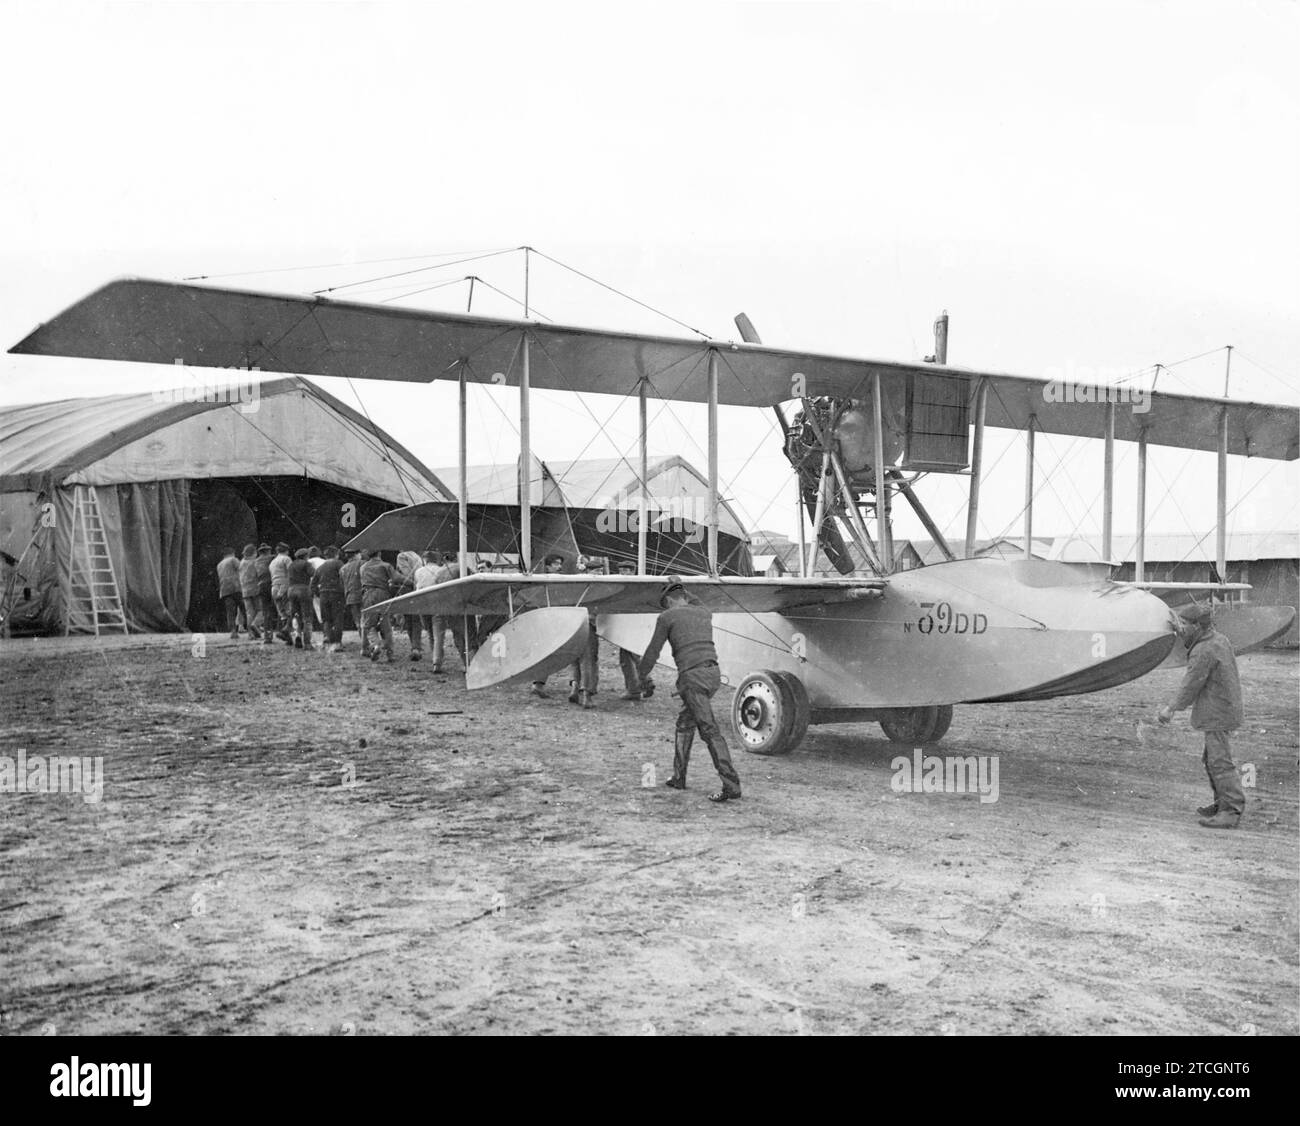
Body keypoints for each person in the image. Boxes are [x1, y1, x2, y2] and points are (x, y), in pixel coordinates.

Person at [637, 577, 741, 803]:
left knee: (709, 730)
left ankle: (731, 785)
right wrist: (680, 584)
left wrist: (641, 675)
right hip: (713, 675)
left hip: (692, 678)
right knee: (685, 722)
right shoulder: (703, 612)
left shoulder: (666, 616)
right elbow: (694, 599)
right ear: (685, 595)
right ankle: (678, 776)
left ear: (667, 600)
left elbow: (653, 651)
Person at [1157, 603, 1245, 829]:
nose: (1182, 628)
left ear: (1198, 626)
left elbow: (1191, 684)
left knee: (1219, 762)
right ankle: (1222, 804)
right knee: (1213, 760)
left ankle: (1230, 811)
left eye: (1185, 624)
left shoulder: (1203, 649)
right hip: (1225, 709)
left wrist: (1170, 709)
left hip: (1218, 713)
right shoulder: (1219, 639)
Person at [614, 559, 653, 701]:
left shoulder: (627, 586)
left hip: (629, 625)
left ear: (632, 571)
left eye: (626, 570)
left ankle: (639, 686)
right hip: (635, 624)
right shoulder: (639, 584)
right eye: (621, 570)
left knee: (628, 657)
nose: (623, 573)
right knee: (632, 655)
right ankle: (638, 686)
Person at [530, 553, 567, 697]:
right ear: (547, 566)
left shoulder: (561, 579)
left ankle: (539, 683)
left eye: (560, 564)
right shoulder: (540, 580)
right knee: (547, 652)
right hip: (547, 620)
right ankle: (538, 683)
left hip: (557, 618)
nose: (559, 567)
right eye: (556, 564)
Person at [359, 549, 399, 663]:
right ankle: (390, 654)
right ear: (379, 554)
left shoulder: (363, 567)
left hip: (368, 594)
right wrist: (410, 581)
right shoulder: (385, 565)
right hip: (383, 594)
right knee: (386, 624)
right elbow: (396, 578)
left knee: (369, 624)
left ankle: (375, 645)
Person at [311, 545, 347, 651]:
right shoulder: (339, 563)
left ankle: (328, 641)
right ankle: (337, 643)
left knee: (326, 619)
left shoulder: (320, 568)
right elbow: (344, 577)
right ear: (336, 554)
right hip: (337, 594)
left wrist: (319, 593)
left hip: (323, 595)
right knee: (338, 618)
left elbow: (313, 585)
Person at [287, 548, 315, 649]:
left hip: (291, 590)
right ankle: (307, 643)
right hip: (303, 589)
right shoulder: (306, 564)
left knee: (295, 615)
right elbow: (313, 574)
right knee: (307, 617)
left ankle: (297, 637)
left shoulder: (291, 565)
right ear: (306, 556)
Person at [216, 546, 245, 638]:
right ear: (232, 553)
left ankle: (233, 631)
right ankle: (251, 629)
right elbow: (242, 569)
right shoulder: (233, 559)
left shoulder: (219, 564)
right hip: (236, 587)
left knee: (230, 612)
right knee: (244, 608)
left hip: (224, 590)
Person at [236, 543, 261, 640]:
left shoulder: (241, 563)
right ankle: (255, 624)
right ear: (253, 553)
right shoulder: (255, 562)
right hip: (255, 589)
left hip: (244, 590)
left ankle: (251, 634)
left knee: (249, 613)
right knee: (260, 610)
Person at [254, 543, 277, 646]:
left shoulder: (256, 561)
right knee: (277, 609)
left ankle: (267, 636)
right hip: (271, 584)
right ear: (267, 551)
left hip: (261, 586)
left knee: (266, 611)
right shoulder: (271, 558)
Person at [270, 542, 293, 644]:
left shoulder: (272, 562)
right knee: (291, 610)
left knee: (282, 613)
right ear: (286, 551)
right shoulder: (286, 559)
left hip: (274, 587)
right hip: (284, 586)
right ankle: (286, 630)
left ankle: (287, 638)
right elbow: (291, 572)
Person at [341, 549, 364, 639]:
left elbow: (342, 583)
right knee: (366, 620)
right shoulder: (362, 563)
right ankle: (370, 643)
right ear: (356, 555)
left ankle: (363, 642)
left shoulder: (343, 568)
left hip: (350, 597)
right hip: (362, 595)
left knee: (358, 621)